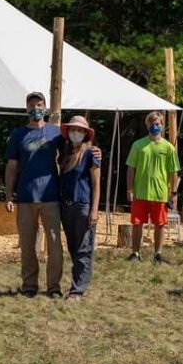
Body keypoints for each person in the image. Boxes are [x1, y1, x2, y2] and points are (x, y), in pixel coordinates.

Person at [5, 91, 64, 298]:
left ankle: (54, 286)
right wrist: (8, 195)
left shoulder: (55, 133)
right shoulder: (18, 134)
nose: (36, 108)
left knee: (55, 243)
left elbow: (71, 154)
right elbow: (12, 165)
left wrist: (93, 151)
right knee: (28, 245)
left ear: (46, 108)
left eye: (39, 105)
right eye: (32, 105)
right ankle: (30, 285)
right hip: (26, 196)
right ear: (27, 109)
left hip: (51, 195)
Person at [125, 112, 180, 265]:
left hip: (161, 193)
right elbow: (131, 169)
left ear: (163, 126)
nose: (155, 127)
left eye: (158, 124)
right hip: (140, 192)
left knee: (160, 224)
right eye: (152, 124)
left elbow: (173, 171)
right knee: (137, 223)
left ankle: (158, 254)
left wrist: (173, 192)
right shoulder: (138, 145)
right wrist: (130, 189)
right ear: (147, 125)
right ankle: (135, 253)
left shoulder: (169, 148)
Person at [58, 116, 100, 297]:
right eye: (74, 129)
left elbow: (96, 183)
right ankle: (78, 281)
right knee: (73, 247)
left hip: (83, 204)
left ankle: (78, 289)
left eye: (81, 130)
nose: (77, 133)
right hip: (66, 206)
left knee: (84, 248)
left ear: (86, 134)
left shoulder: (91, 154)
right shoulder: (65, 154)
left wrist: (94, 209)